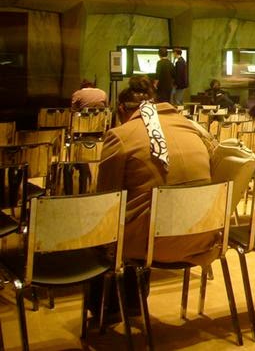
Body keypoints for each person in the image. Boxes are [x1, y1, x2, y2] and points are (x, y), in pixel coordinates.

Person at [92, 76, 218, 318]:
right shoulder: (191, 128)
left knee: (105, 229)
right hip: (203, 239)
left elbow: (106, 199)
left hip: (153, 244)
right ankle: (133, 302)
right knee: (148, 212)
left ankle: (107, 311)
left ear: (120, 110)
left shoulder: (120, 136)